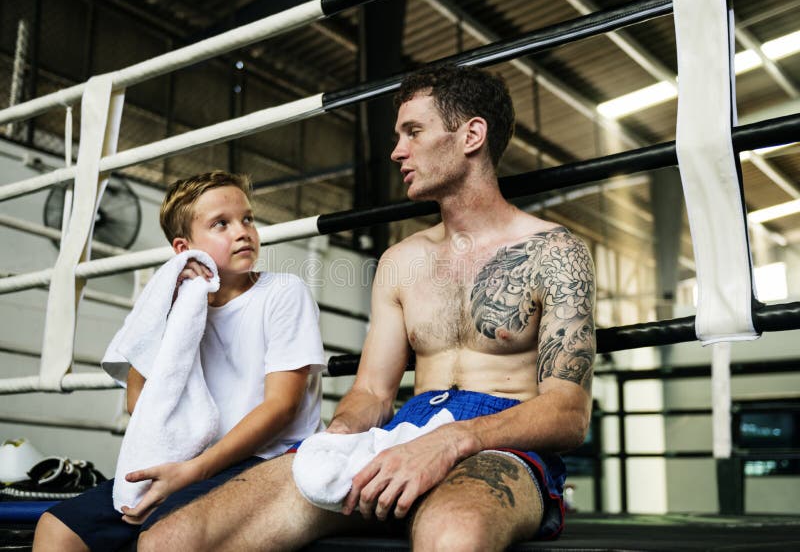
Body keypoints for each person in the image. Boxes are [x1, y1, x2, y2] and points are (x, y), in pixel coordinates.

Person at [141, 65, 596, 551]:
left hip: (504, 440)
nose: (397, 151)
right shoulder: (401, 261)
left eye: (413, 132)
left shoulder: (556, 254)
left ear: (472, 135)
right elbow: (375, 392)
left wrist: (452, 440)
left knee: (454, 534)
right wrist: (338, 439)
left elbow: (568, 414)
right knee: (171, 539)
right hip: (403, 431)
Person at [33, 171, 326, 551]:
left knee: (163, 537)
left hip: (265, 460)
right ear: (184, 248)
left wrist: (194, 471)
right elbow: (142, 404)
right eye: (221, 223)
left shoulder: (282, 292)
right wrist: (168, 310)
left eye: (248, 219)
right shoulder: (180, 309)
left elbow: (281, 407)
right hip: (194, 463)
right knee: (56, 528)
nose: (242, 231)